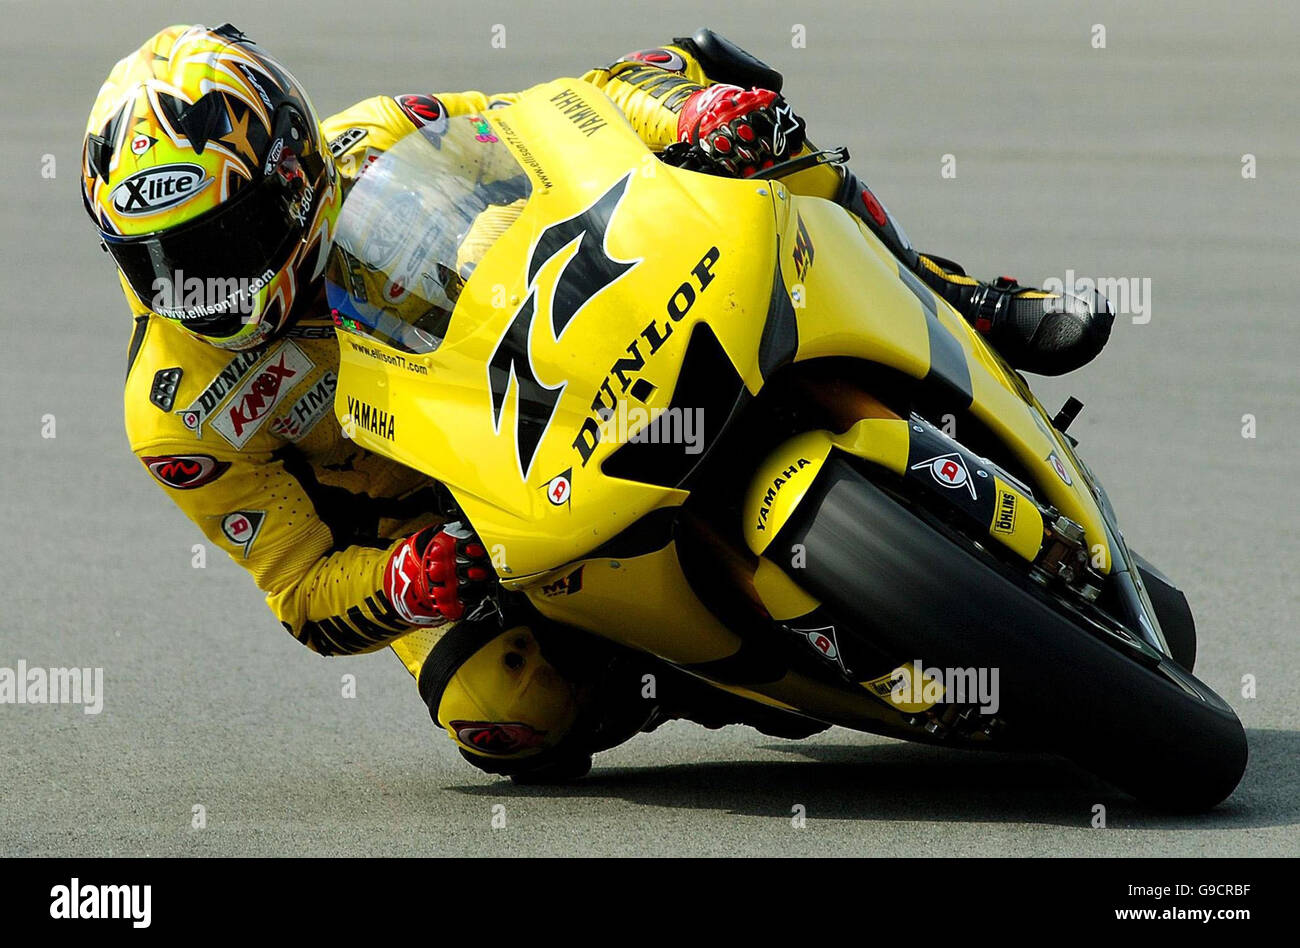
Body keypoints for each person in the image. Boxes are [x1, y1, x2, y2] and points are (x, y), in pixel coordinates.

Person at [83, 23, 1113, 781]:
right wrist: (403, 581)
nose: (199, 288)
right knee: (501, 716)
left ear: (293, 174)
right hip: (444, 517)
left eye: (217, 245)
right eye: (158, 261)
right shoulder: (175, 415)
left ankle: (961, 296)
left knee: (725, 100)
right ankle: (686, 672)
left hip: (553, 352)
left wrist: (688, 116)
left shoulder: (380, 141)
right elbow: (300, 590)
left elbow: (565, 118)